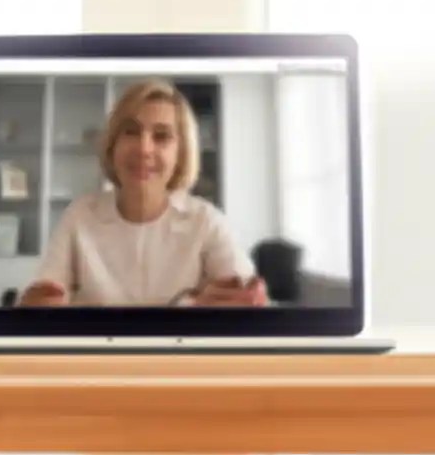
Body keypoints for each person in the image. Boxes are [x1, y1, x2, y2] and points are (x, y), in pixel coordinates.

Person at [19, 79, 267, 307]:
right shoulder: (79, 216)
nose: (144, 148)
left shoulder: (206, 221)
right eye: (131, 131)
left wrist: (241, 302)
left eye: (161, 136)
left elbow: (250, 306)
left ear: (180, 154)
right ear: (113, 144)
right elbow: (41, 302)